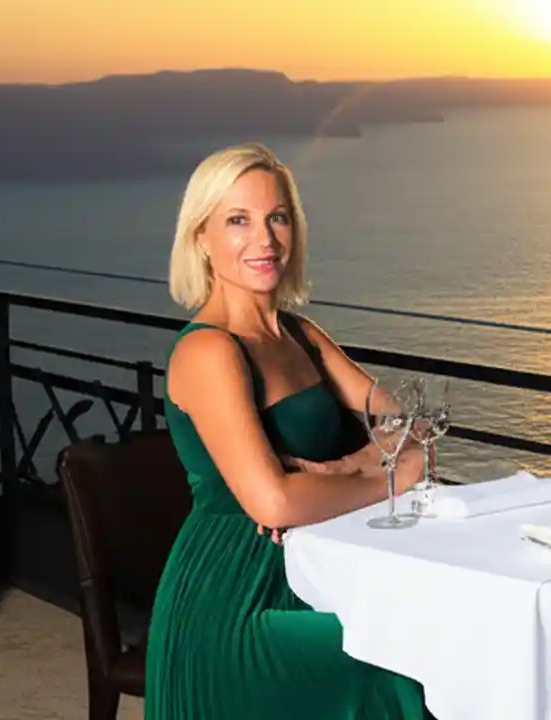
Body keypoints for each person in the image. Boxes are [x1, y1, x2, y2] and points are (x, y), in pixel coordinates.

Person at [145, 142, 430, 719]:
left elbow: (409, 423)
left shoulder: (298, 334)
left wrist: (341, 471)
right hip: (236, 600)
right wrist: (386, 475)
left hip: (323, 561)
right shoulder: (208, 351)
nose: (265, 240)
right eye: (238, 221)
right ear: (200, 237)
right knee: (405, 660)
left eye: (277, 217)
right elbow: (274, 502)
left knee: (431, 628)